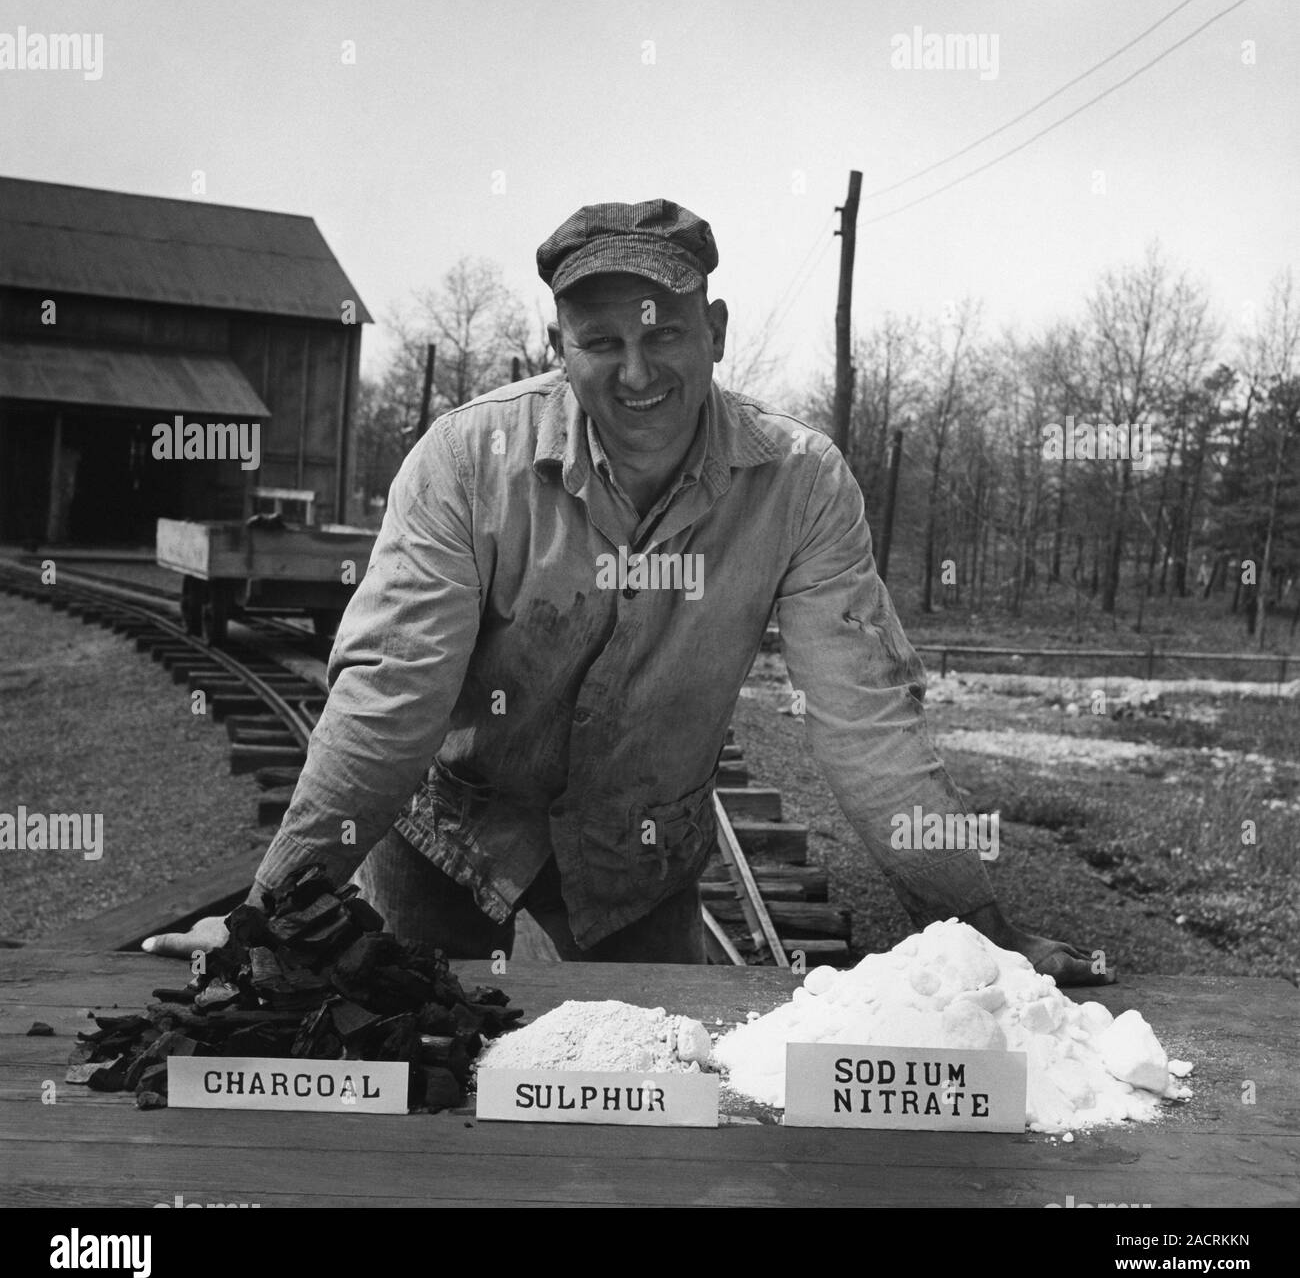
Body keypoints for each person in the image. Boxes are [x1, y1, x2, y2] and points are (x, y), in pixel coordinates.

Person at [145, 198, 1113, 984]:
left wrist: (971, 923)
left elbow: (865, 721)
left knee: (651, 1107)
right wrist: (277, 909)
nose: (636, 371)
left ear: (716, 330)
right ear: (557, 344)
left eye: (664, 334)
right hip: (447, 832)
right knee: (413, 1077)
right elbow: (390, 693)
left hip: (640, 851)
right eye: (600, 340)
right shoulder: (465, 458)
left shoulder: (800, 482)